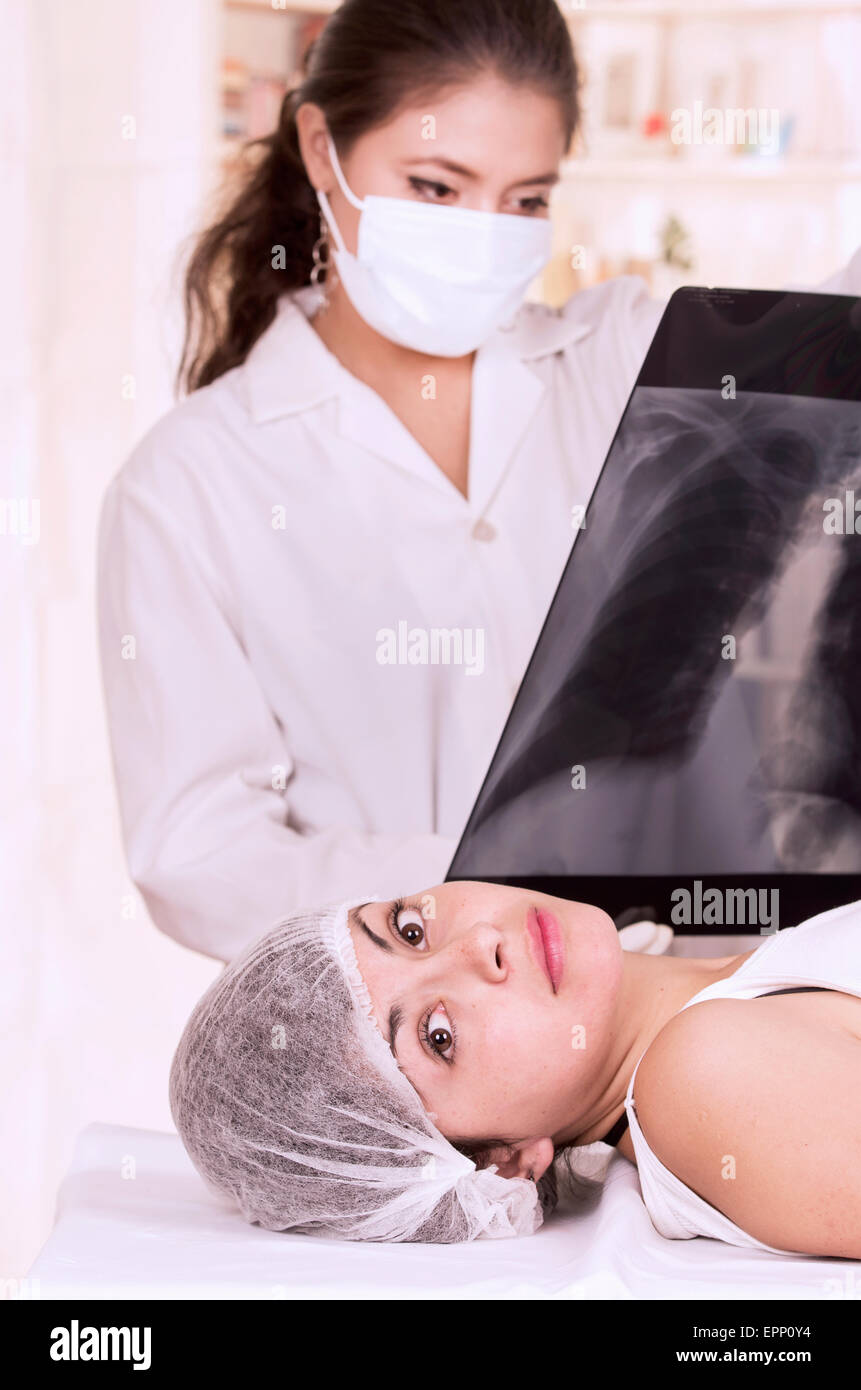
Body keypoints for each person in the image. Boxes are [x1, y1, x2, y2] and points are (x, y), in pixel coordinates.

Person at [97, 0, 861, 963]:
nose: (483, 234)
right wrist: (495, 883)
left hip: (701, 992)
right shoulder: (189, 484)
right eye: (435, 186)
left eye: (526, 200)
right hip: (421, 1045)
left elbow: (834, 335)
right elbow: (199, 858)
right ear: (320, 148)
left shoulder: (619, 353)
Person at [170, 881, 861, 1255]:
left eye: (410, 930)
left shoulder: (739, 958)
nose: (477, 944)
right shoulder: (704, 1079)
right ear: (500, 1165)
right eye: (437, 1036)